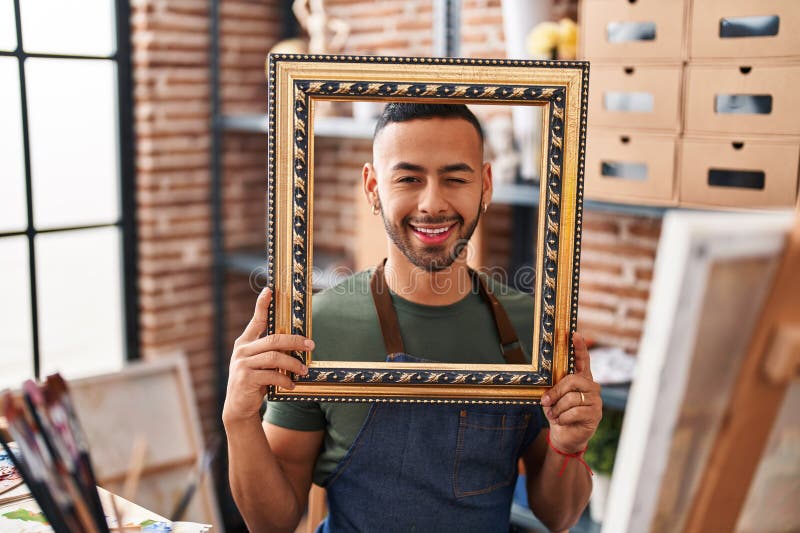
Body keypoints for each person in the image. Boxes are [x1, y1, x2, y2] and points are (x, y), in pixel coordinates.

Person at [223, 103, 602, 532]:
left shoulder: (534, 326)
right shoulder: (317, 328)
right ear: (372, 187)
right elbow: (272, 524)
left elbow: (559, 515)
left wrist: (570, 445)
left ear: (486, 185)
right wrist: (238, 419)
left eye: (456, 178)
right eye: (408, 178)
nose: (432, 203)